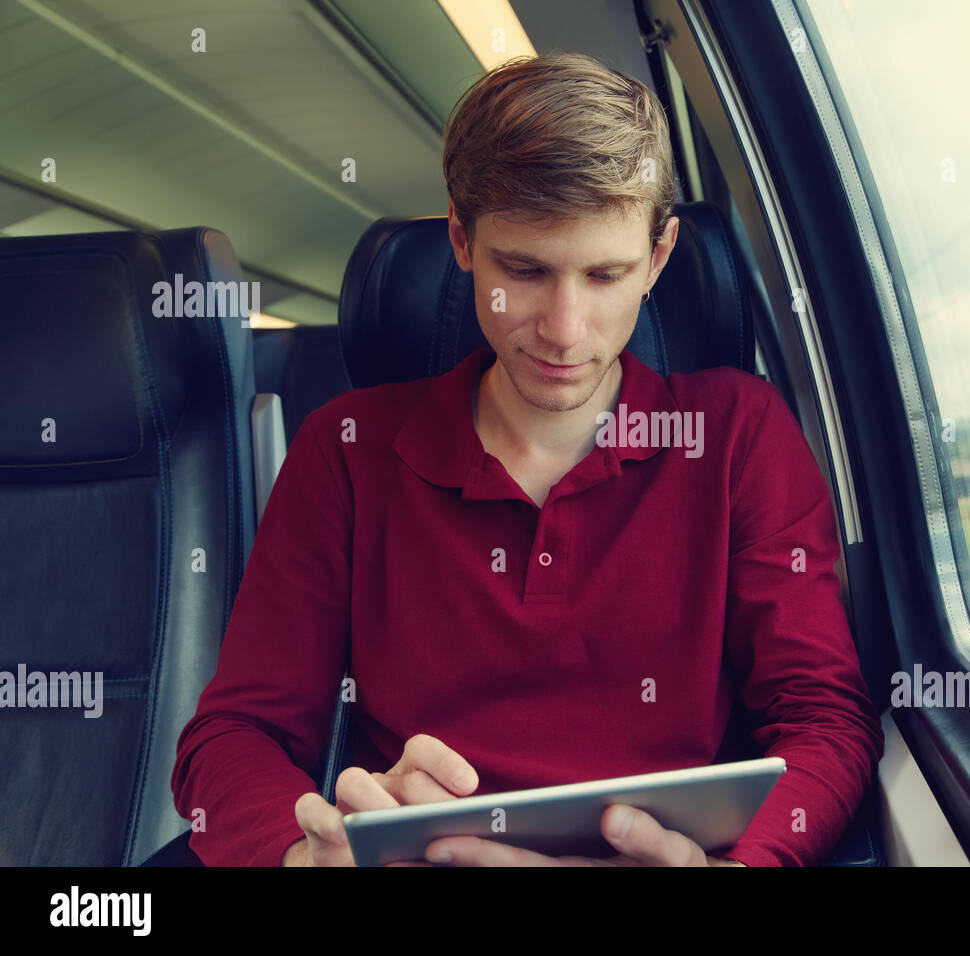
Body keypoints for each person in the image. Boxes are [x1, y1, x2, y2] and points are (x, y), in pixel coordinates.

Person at [171, 51, 883, 867]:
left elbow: (824, 718)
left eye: (606, 274)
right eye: (525, 271)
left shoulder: (739, 434)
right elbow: (232, 736)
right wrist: (300, 858)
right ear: (462, 241)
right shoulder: (347, 450)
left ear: (658, 259)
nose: (563, 330)